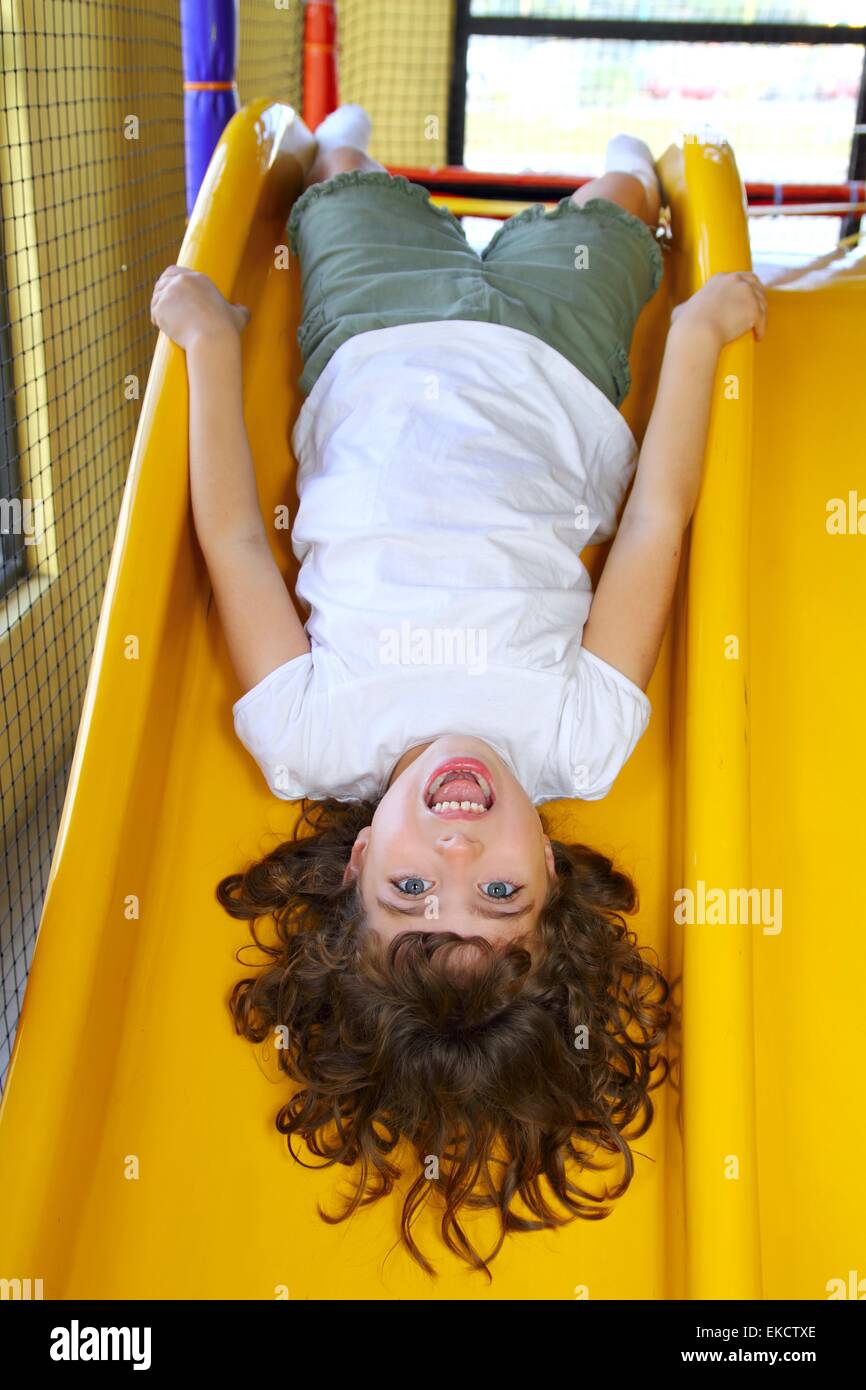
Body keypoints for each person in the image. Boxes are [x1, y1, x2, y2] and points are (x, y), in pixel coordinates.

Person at [150, 106, 766, 1276]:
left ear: (350, 868)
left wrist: (213, 346)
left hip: (373, 340)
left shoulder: (309, 737)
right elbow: (651, 525)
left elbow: (232, 540)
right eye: (494, 889)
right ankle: (621, 177)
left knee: (340, 193)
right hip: (559, 367)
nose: (456, 837)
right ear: (553, 881)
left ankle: (345, 142)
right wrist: (689, 334)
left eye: (410, 889)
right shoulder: (578, 743)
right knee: (609, 218)